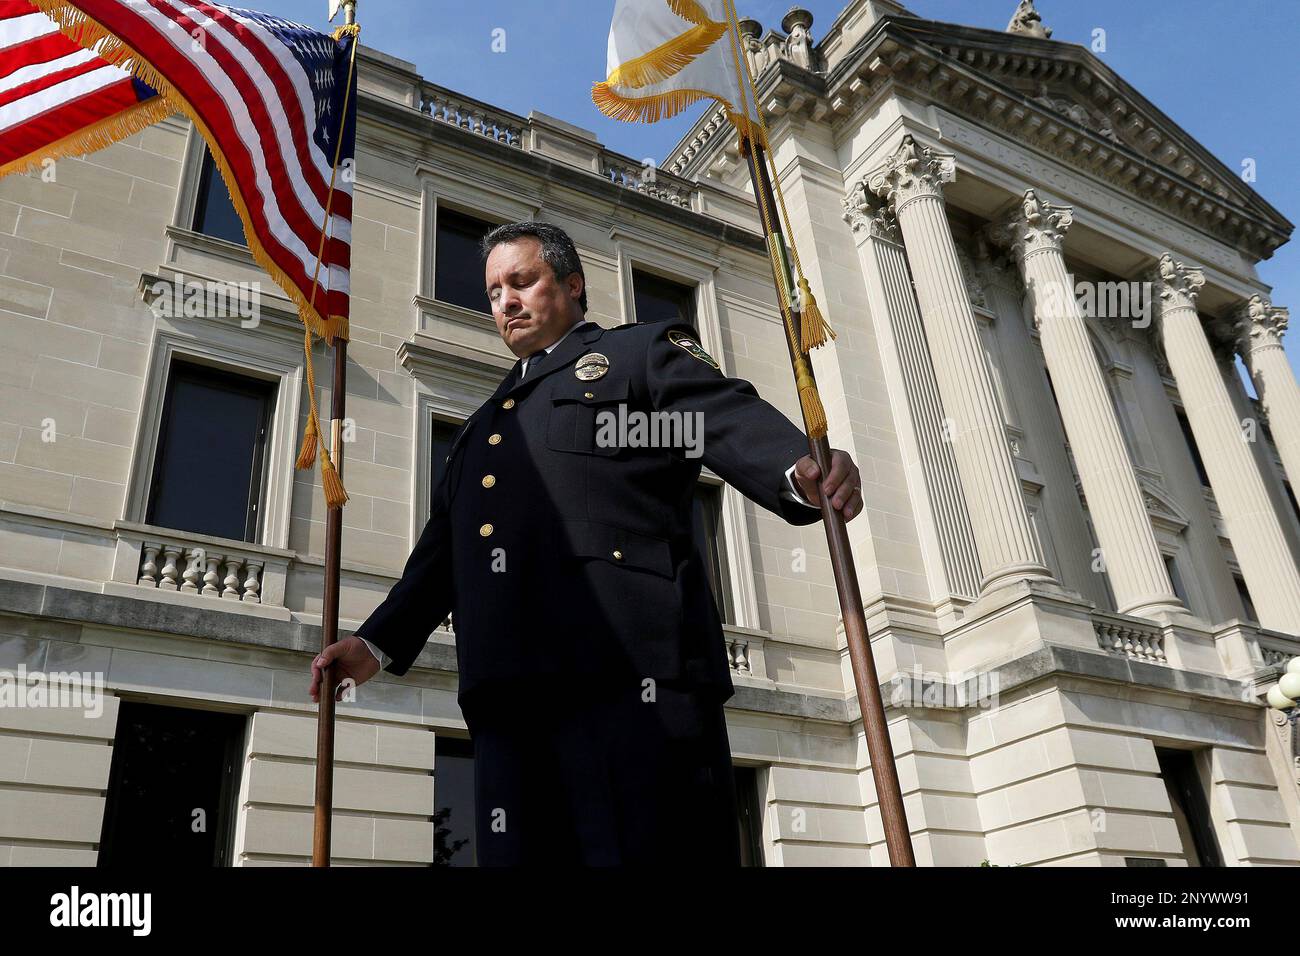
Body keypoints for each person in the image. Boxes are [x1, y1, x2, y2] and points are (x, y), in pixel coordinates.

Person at [309, 220, 863, 865]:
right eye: (493, 292)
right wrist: (377, 641)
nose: (505, 303)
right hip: (511, 700)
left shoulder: (637, 355)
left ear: (573, 285)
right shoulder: (484, 426)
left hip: (632, 680)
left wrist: (794, 467)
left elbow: (718, 415)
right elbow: (445, 550)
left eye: (522, 282)